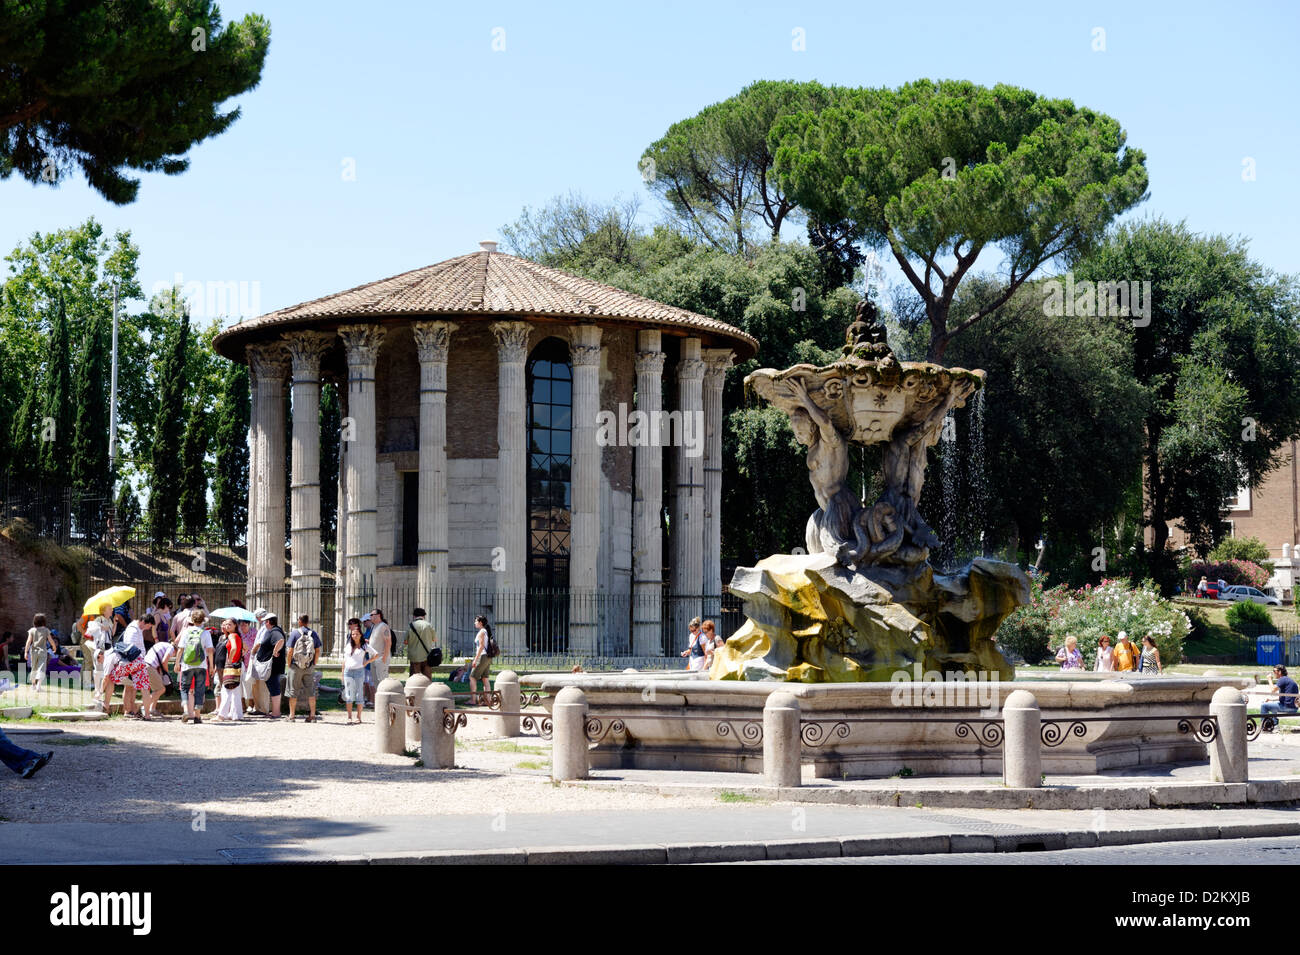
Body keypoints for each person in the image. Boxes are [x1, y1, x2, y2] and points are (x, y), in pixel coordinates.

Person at [105, 612, 153, 718]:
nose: (147, 629)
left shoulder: (137, 628)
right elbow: (129, 647)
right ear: (143, 622)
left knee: (130, 685)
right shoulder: (133, 630)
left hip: (134, 662)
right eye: (148, 626)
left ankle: (129, 710)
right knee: (139, 687)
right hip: (135, 661)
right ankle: (138, 712)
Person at [173, 609, 214, 723]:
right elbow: (210, 650)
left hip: (187, 665)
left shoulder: (186, 631)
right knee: (200, 689)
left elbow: (180, 649)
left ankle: (186, 710)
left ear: (192, 620)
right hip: (202, 665)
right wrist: (211, 666)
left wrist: (177, 663)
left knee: (185, 689)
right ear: (203, 621)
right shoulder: (206, 633)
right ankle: (197, 715)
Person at [285, 614, 321, 723]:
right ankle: (313, 716)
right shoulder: (313, 633)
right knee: (311, 691)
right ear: (308, 622)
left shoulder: (295, 633)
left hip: (295, 666)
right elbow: (318, 650)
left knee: (293, 691)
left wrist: (288, 663)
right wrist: (314, 662)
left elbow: (290, 650)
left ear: (300, 621)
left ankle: (292, 716)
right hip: (309, 666)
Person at [341, 619, 375, 724]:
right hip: (348, 671)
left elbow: (376, 654)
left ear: (360, 634)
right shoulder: (348, 645)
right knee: (348, 695)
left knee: (359, 694)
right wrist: (342, 673)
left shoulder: (364, 645)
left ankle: (359, 717)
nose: (354, 636)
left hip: (359, 671)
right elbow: (345, 660)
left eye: (356, 634)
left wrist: (367, 661)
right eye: (352, 634)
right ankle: (349, 716)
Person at [254, 612, 287, 719]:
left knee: (274, 687)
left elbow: (280, 640)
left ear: (268, 622)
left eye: (265, 622)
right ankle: (275, 712)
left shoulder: (275, 631)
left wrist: (275, 651)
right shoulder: (273, 630)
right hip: (271, 666)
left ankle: (276, 712)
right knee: (273, 687)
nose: (264, 624)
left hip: (272, 666)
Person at [213, 617, 244, 722]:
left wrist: (230, 659)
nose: (227, 626)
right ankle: (236, 714)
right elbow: (246, 648)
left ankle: (221, 715)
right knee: (235, 691)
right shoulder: (237, 636)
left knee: (226, 690)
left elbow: (234, 648)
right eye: (226, 624)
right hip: (238, 665)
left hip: (232, 665)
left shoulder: (231, 636)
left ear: (235, 625)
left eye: (230, 624)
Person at [141, 633, 175, 720]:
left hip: (146, 664)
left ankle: (152, 708)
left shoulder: (162, 644)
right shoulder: (171, 648)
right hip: (150, 666)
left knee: (156, 689)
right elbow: (164, 662)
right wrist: (167, 674)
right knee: (161, 689)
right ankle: (145, 706)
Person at [366, 609, 392, 701]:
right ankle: (380, 702)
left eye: (372, 615)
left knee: (383, 681)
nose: (370, 617)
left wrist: (384, 657)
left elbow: (388, 642)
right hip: (373, 658)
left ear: (378, 615)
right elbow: (376, 641)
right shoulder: (374, 626)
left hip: (381, 658)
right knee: (376, 681)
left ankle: (386, 701)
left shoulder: (383, 626)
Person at [24, 614, 54, 691]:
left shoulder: (32, 630)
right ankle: (39, 685)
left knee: (33, 668)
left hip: (33, 651)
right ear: (44, 621)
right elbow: (50, 640)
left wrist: (26, 652)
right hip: (43, 652)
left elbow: (28, 641)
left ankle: (33, 685)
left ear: (34, 621)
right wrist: (54, 646)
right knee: (42, 668)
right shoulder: (46, 630)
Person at [469, 614, 493, 705]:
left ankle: (473, 700)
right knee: (485, 679)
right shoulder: (485, 631)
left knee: (472, 677)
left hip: (482, 656)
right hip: (487, 657)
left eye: (476, 621)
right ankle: (488, 700)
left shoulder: (482, 632)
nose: (474, 623)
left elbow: (481, 646)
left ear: (480, 623)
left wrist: (475, 659)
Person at [407, 607, 438, 678]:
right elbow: (434, 639)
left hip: (414, 656)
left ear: (414, 616)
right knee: (427, 678)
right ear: (424, 616)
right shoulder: (429, 625)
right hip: (427, 655)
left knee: (414, 678)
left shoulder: (411, 626)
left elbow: (405, 641)